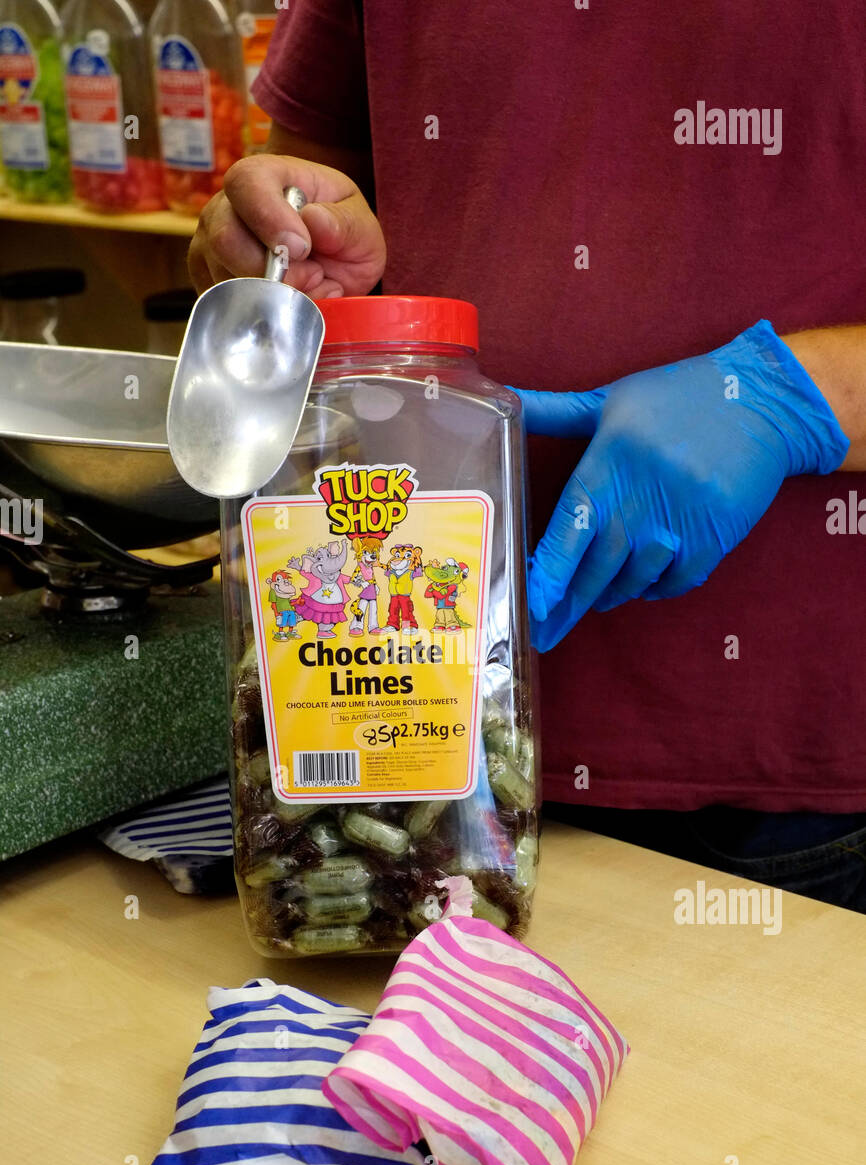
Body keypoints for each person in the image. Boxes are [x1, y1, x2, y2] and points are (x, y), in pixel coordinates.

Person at [189, 2, 866, 911]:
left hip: (786, 786)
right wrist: (292, 244)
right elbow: (318, 178)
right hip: (397, 724)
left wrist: (800, 399)